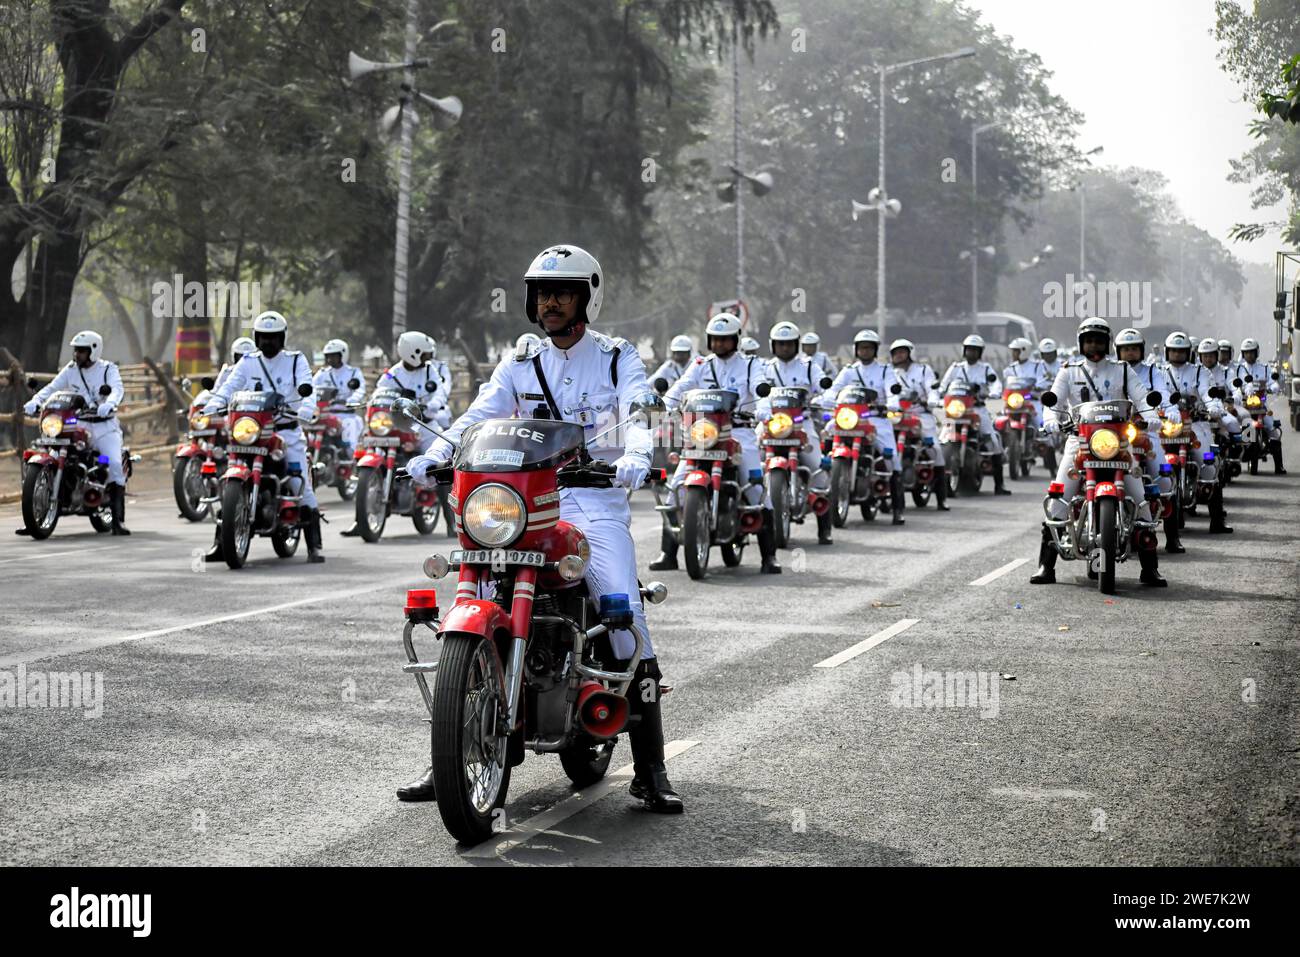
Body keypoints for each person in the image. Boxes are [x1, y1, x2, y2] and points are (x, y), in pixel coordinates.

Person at [401, 244, 682, 814]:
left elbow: (637, 409)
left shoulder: (614, 356)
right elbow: (479, 414)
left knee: (623, 612)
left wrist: (634, 457)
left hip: (593, 500)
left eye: (564, 292)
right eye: (543, 293)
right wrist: (435, 452)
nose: (551, 302)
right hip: (522, 500)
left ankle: (651, 768)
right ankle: (451, 751)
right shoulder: (521, 360)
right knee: (472, 590)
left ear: (587, 297)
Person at [1030, 318, 1167, 587]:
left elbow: (1141, 398)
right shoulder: (1069, 370)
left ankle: (1150, 568)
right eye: (1089, 339)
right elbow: (1054, 402)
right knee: (1058, 500)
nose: (1093, 344)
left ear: (1107, 344)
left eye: (1098, 340)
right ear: (1081, 343)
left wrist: (1152, 417)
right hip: (1079, 442)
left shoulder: (1123, 370)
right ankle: (1046, 566)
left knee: (1141, 501)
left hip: (1119, 444)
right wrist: (1050, 420)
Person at [657, 312, 781, 573]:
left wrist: (764, 408)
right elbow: (681, 386)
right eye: (715, 340)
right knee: (675, 488)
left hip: (738, 433)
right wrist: (663, 404)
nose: (720, 344)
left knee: (757, 491)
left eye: (725, 340)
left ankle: (769, 557)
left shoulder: (750, 364)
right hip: (701, 432)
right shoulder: (700, 363)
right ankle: (668, 554)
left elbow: (761, 388)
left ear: (736, 340)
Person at [202, 311, 325, 562]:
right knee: (229, 476)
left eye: (274, 337)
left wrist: (306, 408)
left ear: (282, 338)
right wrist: (213, 404)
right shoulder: (247, 361)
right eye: (264, 337)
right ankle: (221, 542)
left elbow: (307, 386)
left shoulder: (294, 360)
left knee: (298, 482)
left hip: (285, 431)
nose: (268, 342)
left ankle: (314, 546)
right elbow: (230, 387)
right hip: (252, 431)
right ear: (256, 338)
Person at [20, 331, 131, 536]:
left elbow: (117, 389)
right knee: (53, 452)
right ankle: (35, 517)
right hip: (78, 423)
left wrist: (110, 404)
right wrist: (35, 401)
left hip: (104, 426)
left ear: (93, 351)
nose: (77, 354)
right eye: (76, 350)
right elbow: (52, 388)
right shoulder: (71, 370)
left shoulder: (108, 369)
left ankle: (118, 521)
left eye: (81, 350)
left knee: (114, 464)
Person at [822, 329, 905, 523]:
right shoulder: (849, 370)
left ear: (875, 350)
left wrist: (893, 402)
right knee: (824, 435)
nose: (865, 351)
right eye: (861, 348)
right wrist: (825, 398)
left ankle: (898, 509)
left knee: (892, 458)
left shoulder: (885, 370)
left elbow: (893, 392)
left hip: (876, 418)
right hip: (848, 418)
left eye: (868, 348)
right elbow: (833, 389)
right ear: (856, 350)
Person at [762, 320, 833, 544]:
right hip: (772, 422)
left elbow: (826, 387)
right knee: (749, 457)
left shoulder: (809, 366)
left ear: (796, 345)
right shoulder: (764, 368)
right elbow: (754, 392)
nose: (785, 348)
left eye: (789, 344)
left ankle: (825, 528)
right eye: (780, 344)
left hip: (802, 422)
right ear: (773, 345)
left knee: (817, 466)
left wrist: (823, 396)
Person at [1114, 327, 1183, 553]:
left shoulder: (1153, 372)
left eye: (1134, 349)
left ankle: (1172, 538)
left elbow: (1162, 394)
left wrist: (1171, 410)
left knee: (1163, 479)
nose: (1130, 353)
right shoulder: (1113, 371)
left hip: (1147, 431)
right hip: (1115, 435)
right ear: (1117, 351)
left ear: (1141, 350)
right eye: (1126, 349)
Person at [1162, 331, 1232, 534]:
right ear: (1167, 352)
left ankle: (1217, 519)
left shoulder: (1199, 372)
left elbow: (1207, 392)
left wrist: (1213, 406)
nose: (1177, 355)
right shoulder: (1160, 372)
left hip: (1196, 424)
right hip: (1170, 425)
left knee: (1209, 463)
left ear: (1188, 352)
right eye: (1173, 351)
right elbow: (1156, 395)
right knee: (1155, 463)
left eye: (1181, 351)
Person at [938, 334, 1010, 495]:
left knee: (992, 439)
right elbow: (943, 386)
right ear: (964, 351)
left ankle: (999, 485)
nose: (972, 353)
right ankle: (940, 481)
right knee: (942, 437)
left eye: (975, 350)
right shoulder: (956, 368)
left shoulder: (985, 368)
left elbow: (995, 383)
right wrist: (938, 395)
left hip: (976, 408)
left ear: (980, 352)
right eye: (969, 349)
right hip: (956, 409)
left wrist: (993, 393)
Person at [889, 337, 949, 510]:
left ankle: (941, 498)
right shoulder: (889, 373)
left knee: (936, 450)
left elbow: (932, 389)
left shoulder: (923, 370)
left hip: (920, 414)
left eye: (902, 352)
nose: (899, 355)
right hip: (896, 415)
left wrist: (932, 400)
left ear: (910, 353)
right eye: (896, 353)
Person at [1235, 337, 1285, 474]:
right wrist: (1241, 390)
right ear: (1242, 354)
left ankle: (1279, 465)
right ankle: (1240, 454)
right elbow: (1234, 383)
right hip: (1245, 406)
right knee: (1238, 428)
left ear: (1256, 353)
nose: (1249, 355)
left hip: (1262, 406)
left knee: (1272, 429)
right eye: (1246, 352)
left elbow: (1271, 381)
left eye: (1251, 352)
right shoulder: (1238, 369)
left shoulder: (1264, 368)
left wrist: (1274, 386)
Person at [312, 338, 367, 453]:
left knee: (351, 432)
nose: (330, 359)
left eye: (334, 356)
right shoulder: (322, 374)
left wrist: (352, 400)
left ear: (343, 355)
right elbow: (312, 389)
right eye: (328, 356)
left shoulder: (353, 372)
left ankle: (350, 458)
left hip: (347, 415)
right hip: (327, 415)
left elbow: (360, 389)